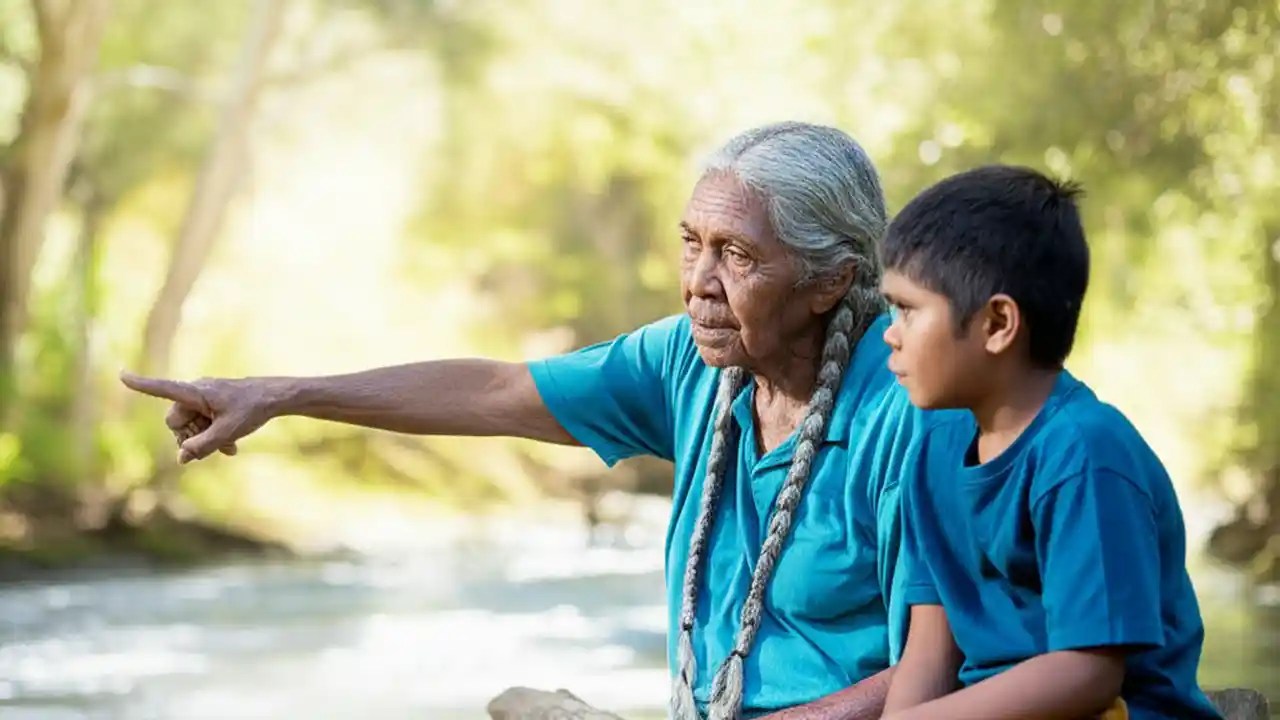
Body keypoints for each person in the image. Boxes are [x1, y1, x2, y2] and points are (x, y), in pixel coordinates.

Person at [121, 121, 930, 720]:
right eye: (692, 244)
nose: (699, 283)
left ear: (831, 283)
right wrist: (279, 395)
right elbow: (494, 392)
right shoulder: (688, 363)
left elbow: (953, 668)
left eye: (738, 255)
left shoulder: (911, 412)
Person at [877, 165, 1222, 719]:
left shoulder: (1085, 455)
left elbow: (1087, 672)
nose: (889, 333)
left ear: (997, 324)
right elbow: (930, 649)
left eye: (908, 310)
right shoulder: (932, 452)